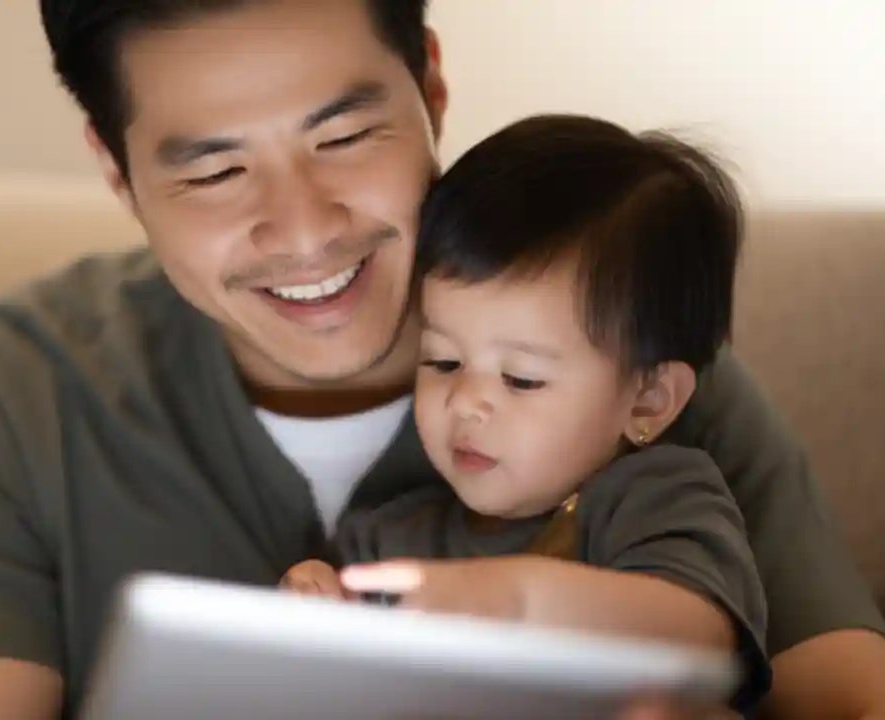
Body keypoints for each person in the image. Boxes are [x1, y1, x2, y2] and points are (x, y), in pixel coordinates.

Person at [0, 1, 885, 719]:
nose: (303, 230)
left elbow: (853, 699)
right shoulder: (25, 384)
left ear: (430, 84)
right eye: (216, 172)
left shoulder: (613, 352)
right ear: (115, 170)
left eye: (341, 139)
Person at [281, 114, 770, 711]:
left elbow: (698, 637)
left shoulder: (651, 498)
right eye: (442, 361)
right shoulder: (388, 539)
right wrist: (308, 606)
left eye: (521, 378)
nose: (465, 400)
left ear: (648, 400)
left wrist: (516, 601)